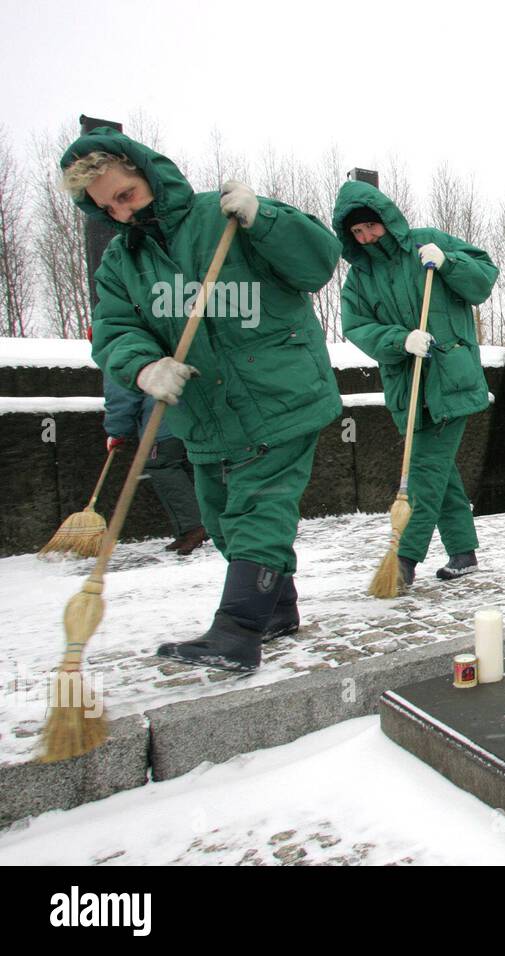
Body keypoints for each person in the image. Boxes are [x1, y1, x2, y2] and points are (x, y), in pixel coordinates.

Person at [61, 127, 343, 672]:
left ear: (147, 174)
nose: (121, 213)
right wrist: (145, 366)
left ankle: (237, 632)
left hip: (278, 396)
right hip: (203, 414)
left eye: (126, 195)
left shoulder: (225, 216)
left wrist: (266, 218)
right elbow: (115, 330)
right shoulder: (123, 262)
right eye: (106, 207)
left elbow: (317, 263)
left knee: (257, 511)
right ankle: (276, 610)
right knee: (220, 519)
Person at [331, 180, 496, 590]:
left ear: (386, 218)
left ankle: (403, 561)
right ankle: (463, 552)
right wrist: (399, 340)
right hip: (408, 389)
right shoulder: (358, 279)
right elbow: (356, 326)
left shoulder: (427, 242)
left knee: (423, 473)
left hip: (450, 382)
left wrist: (448, 263)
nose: (366, 237)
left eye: (371, 226)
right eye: (357, 233)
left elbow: (484, 281)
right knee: (440, 472)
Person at [103, 372, 207, 555]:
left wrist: (117, 432)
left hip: (162, 422)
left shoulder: (118, 351)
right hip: (193, 418)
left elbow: (121, 397)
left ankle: (194, 527)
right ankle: (192, 528)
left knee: (161, 466)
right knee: (185, 466)